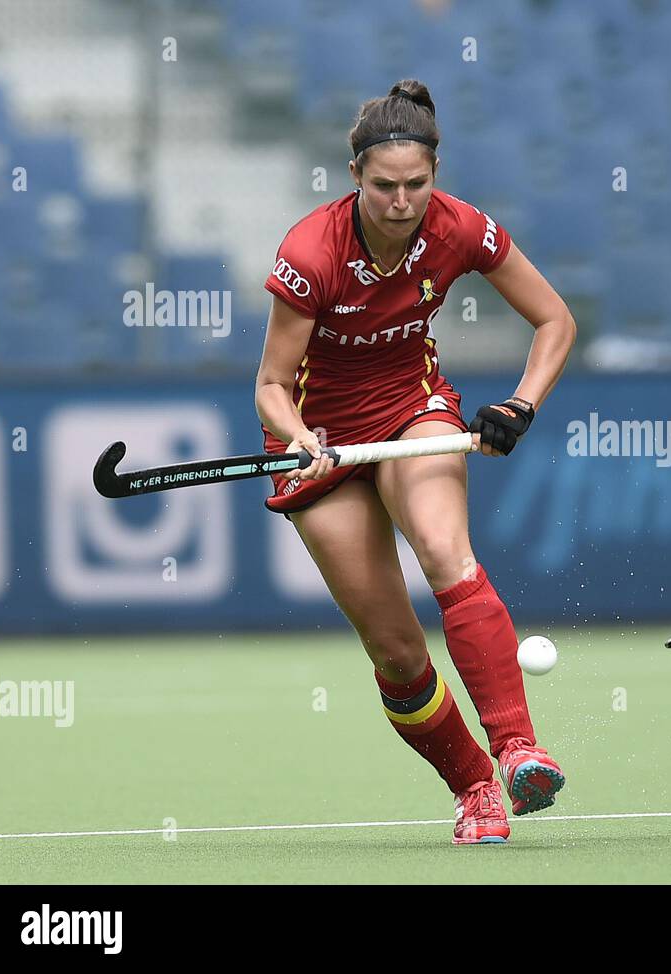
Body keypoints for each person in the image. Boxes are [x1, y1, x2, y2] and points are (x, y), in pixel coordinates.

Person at [255, 79, 576, 845]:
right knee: (397, 652)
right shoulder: (310, 253)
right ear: (354, 177)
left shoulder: (461, 228)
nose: (401, 203)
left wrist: (521, 404)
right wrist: (298, 438)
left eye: (416, 184)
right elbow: (270, 385)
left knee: (445, 552)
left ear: (436, 172)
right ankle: (473, 787)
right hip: (316, 441)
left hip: (412, 409)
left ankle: (518, 750)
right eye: (383, 187)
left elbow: (554, 319)